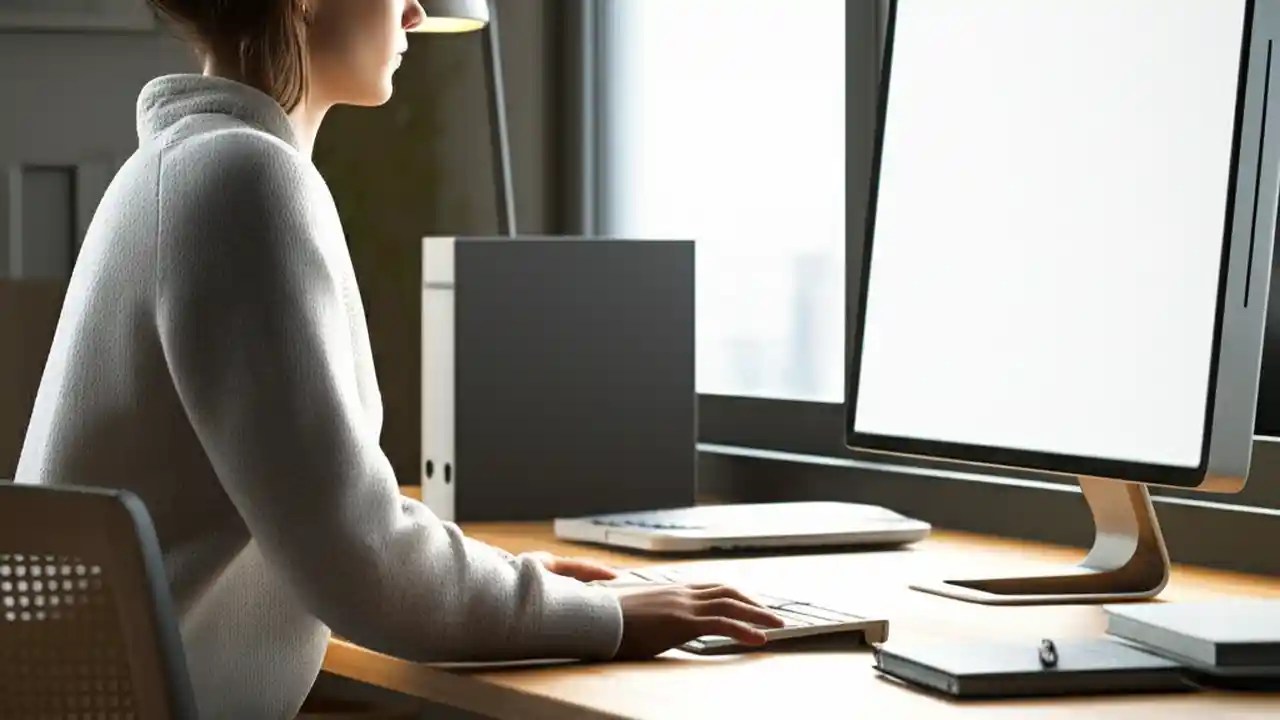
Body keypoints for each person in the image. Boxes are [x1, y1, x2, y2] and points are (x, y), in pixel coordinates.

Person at [13, 1, 784, 717]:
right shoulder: (239, 182)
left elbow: (334, 511)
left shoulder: (171, 170)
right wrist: (606, 616)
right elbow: (361, 561)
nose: (416, 8)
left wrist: (522, 584)